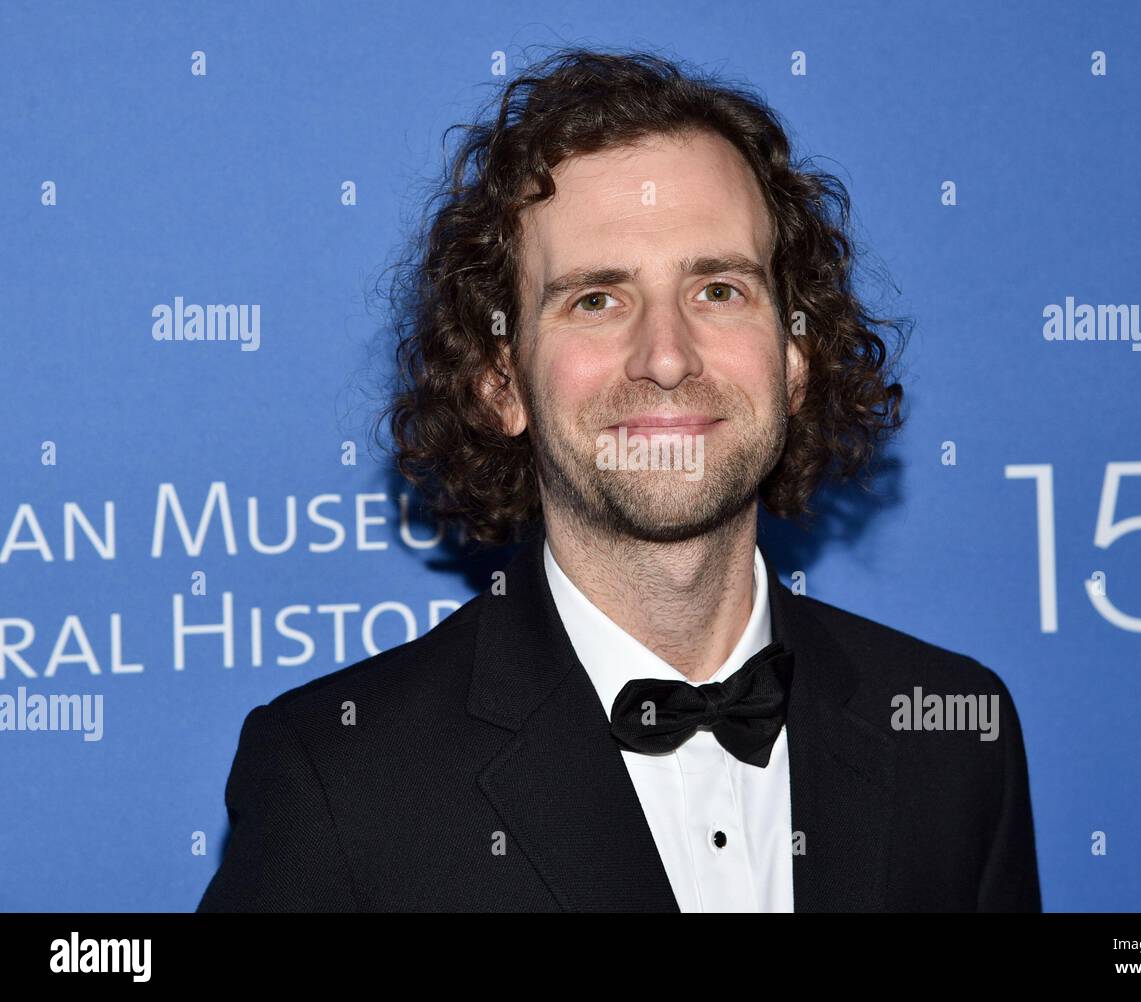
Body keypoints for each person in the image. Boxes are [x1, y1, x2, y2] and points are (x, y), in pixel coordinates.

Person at [197, 47, 1041, 913]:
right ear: (502, 383)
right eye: (596, 300)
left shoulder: (951, 731)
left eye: (718, 289)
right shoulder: (340, 784)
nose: (667, 357)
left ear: (794, 357)